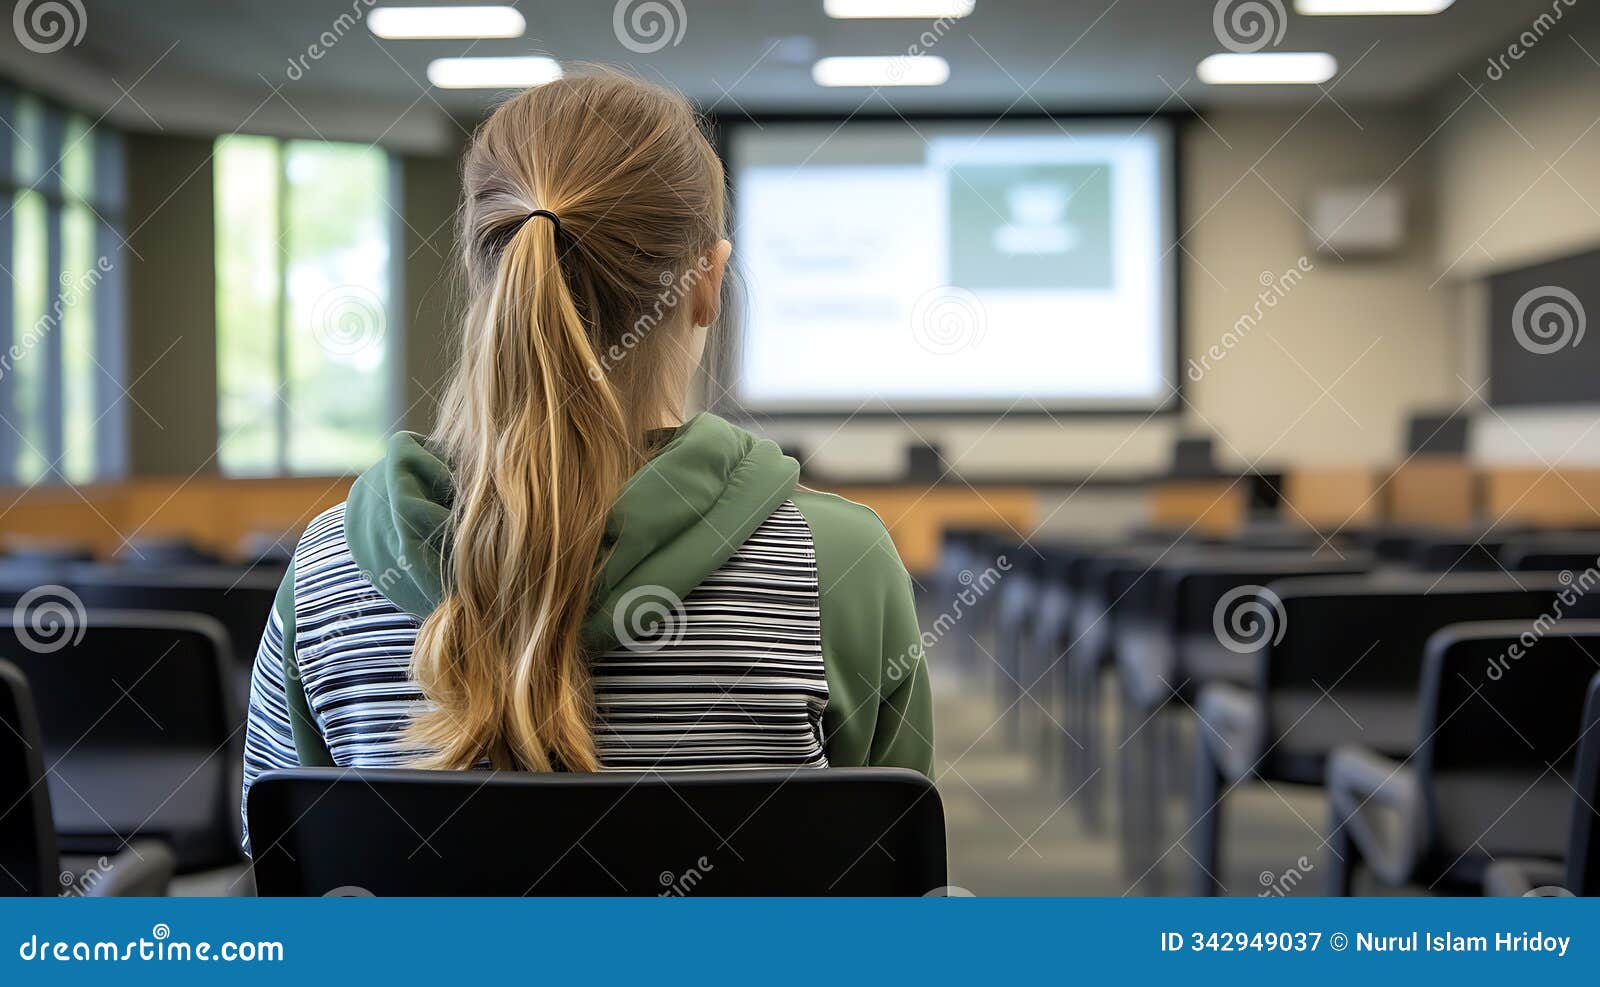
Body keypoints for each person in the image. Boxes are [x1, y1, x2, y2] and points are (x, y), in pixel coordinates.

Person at [240, 70, 932, 850]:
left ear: (482, 270)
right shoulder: (835, 564)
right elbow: (890, 891)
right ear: (707, 280)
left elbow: (282, 881)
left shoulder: (329, 572)